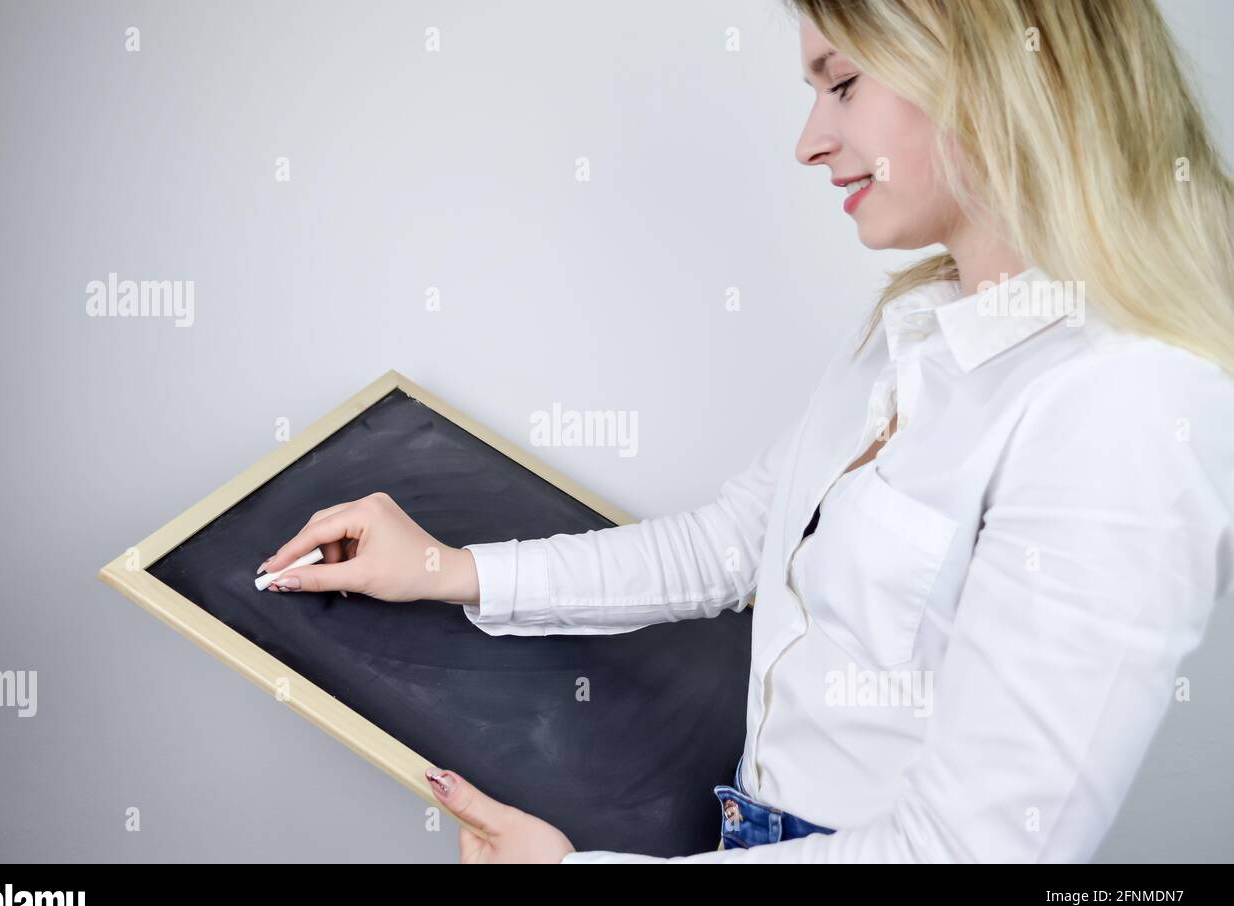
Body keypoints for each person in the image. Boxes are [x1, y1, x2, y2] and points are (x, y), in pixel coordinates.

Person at [255, 0, 1234, 862]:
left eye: (841, 83)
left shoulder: (1126, 403)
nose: (809, 141)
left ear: (997, 67)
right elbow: (730, 544)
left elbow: (968, 852)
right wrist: (443, 569)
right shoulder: (912, 332)